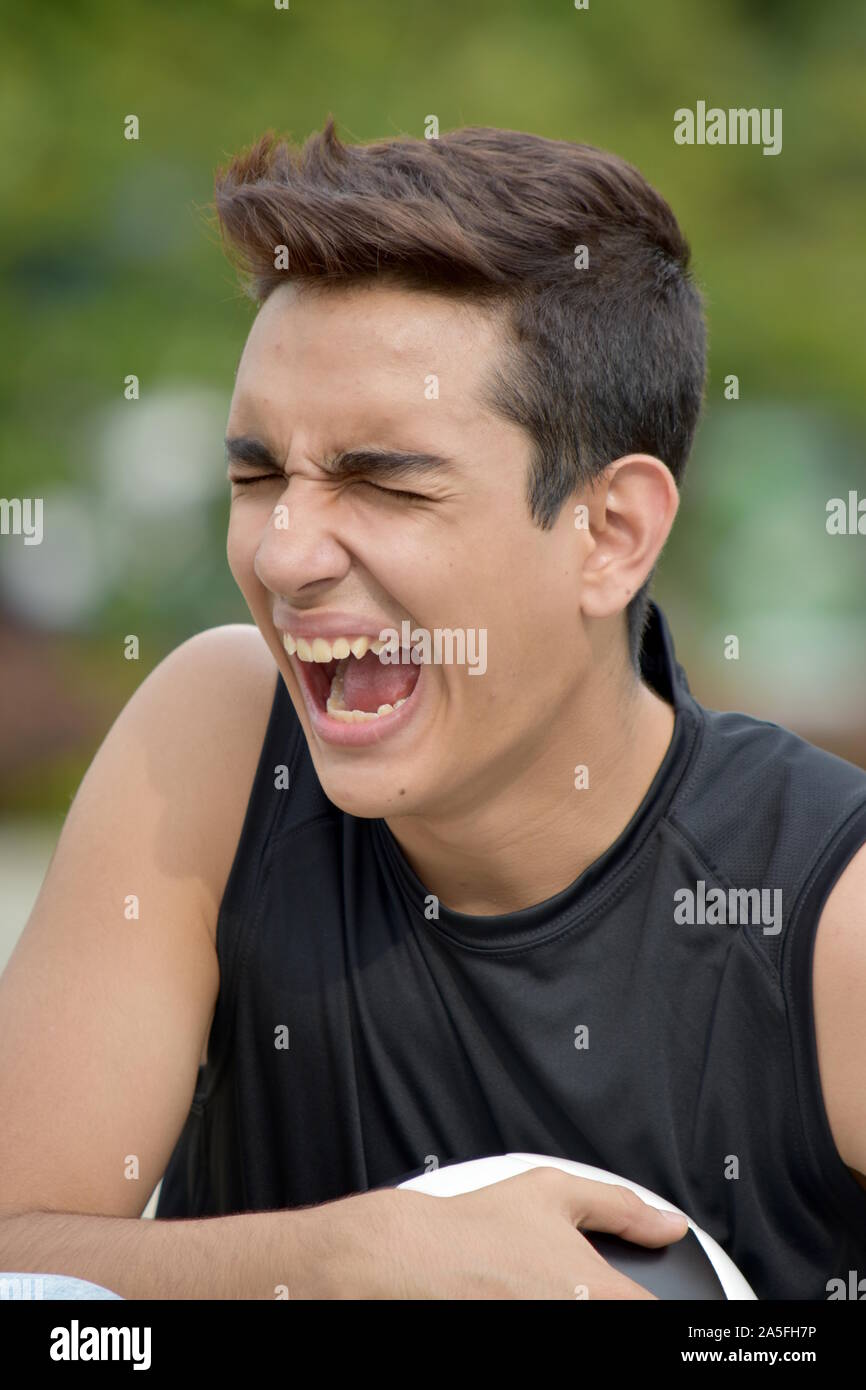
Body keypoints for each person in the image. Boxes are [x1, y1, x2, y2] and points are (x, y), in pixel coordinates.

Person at [1, 119, 864, 1301]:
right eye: (256, 476)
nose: (284, 551)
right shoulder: (218, 739)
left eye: (383, 480)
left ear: (609, 534)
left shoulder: (831, 918)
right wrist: (327, 1264)